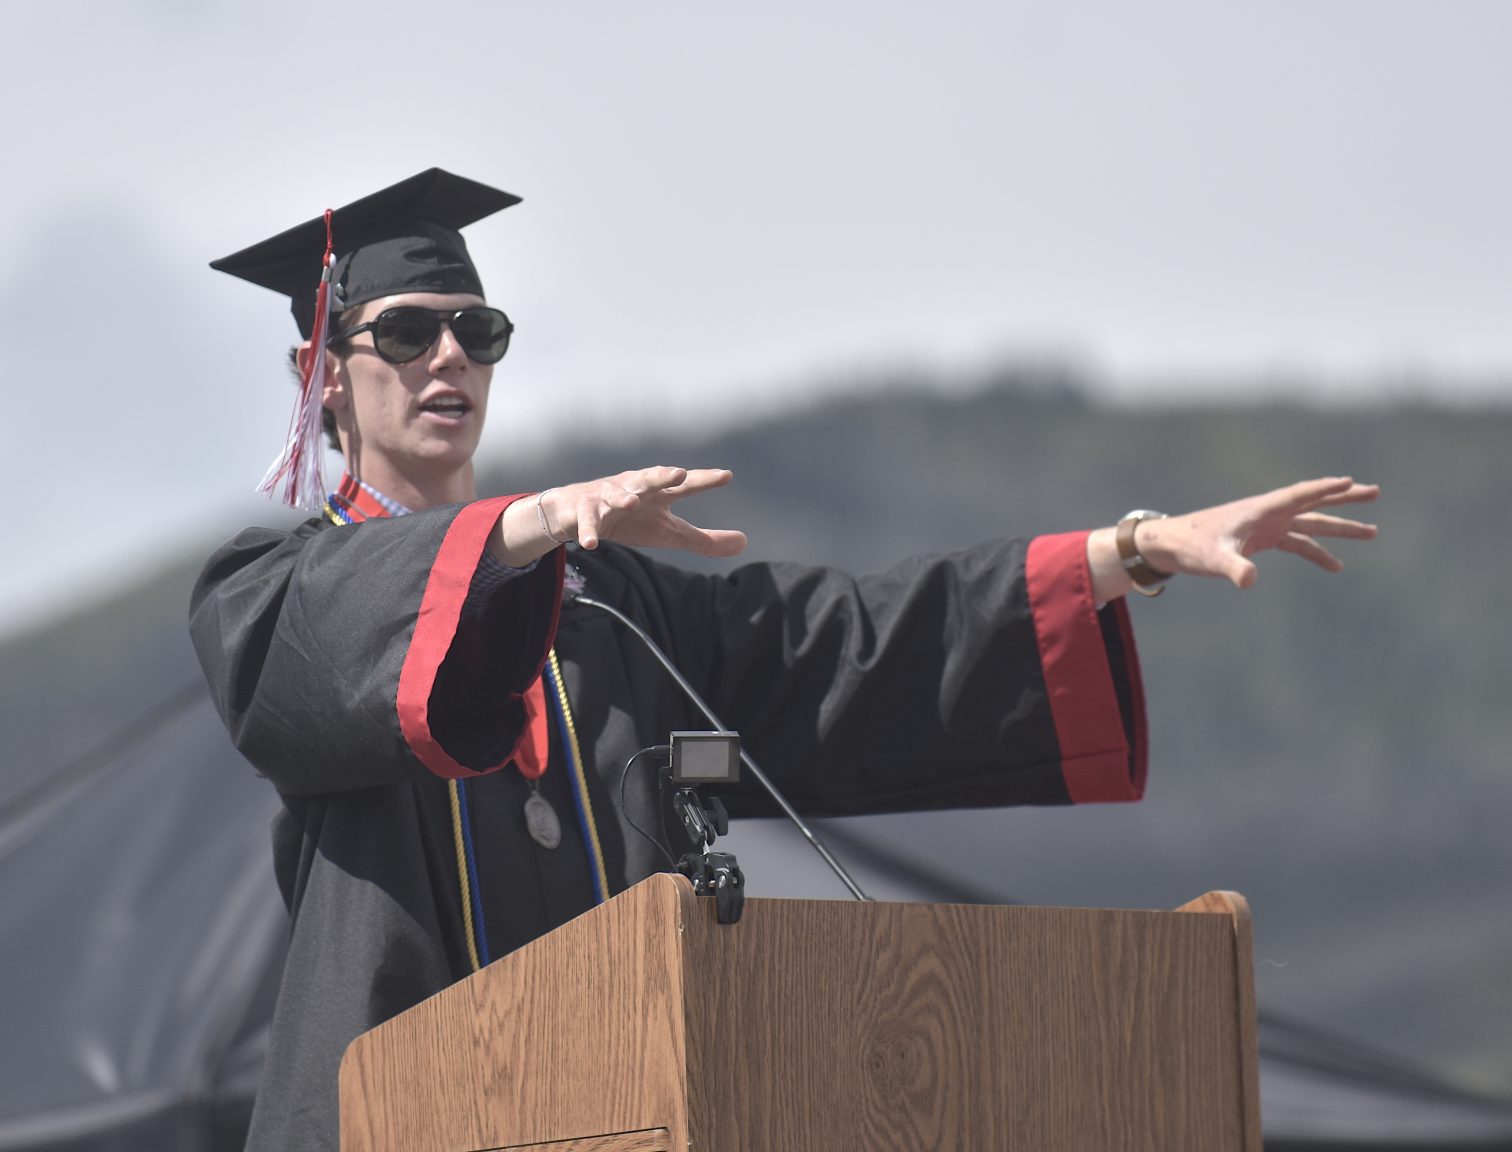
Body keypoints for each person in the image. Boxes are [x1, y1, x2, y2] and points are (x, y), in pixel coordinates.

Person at [192, 168, 1378, 1152]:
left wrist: (1132, 551)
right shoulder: (270, 596)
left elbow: (849, 646)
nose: (449, 357)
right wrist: (536, 525)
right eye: (407, 331)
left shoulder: (607, 608)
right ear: (320, 378)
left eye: (479, 330)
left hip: (632, 1116)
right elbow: (343, 642)